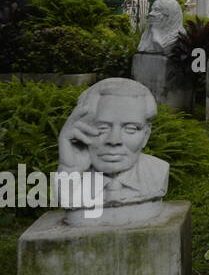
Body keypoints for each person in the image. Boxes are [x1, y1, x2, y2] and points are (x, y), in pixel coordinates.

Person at [57, 77, 169, 210]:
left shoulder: (156, 173)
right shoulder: (75, 173)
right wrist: (70, 169)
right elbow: (66, 201)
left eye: (130, 129)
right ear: (82, 129)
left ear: (146, 135)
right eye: (102, 127)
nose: (114, 140)